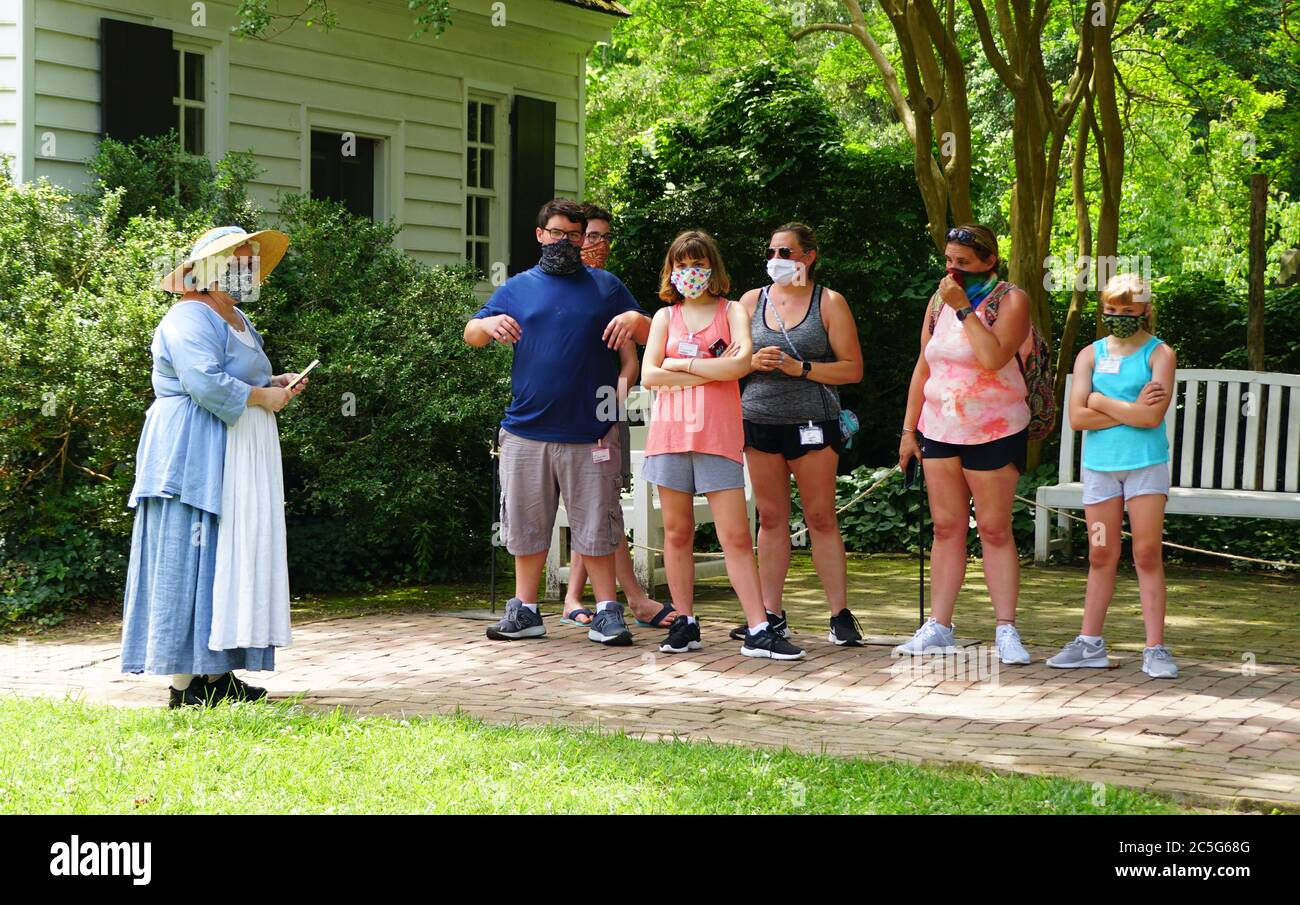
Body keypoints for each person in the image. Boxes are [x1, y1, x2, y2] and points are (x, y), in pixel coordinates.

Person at [122, 225, 307, 708]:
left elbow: (242, 374)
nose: (247, 268)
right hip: (192, 450)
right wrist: (263, 396)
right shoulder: (189, 316)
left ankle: (216, 674)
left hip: (236, 451)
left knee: (230, 553)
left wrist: (276, 381)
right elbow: (203, 382)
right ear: (208, 271)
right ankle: (184, 684)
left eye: (249, 260)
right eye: (237, 260)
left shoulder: (238, 317)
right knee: (193, 548)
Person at [465, 199, 651, 646]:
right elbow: (471, 333)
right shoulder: (516, 287)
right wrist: (488, 328)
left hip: (591, 430)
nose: (564, 242)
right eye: (556, 233)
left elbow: (650, 333)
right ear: (539, 235)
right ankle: (525, 611)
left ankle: (608, 611)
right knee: (526, 525)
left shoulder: (606, 287)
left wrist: (634, 318)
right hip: (526, 429)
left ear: (583, 237)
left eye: (574, 234)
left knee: (597, 524)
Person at [640, 230, 804, 660]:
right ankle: (685, 623)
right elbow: (649, 377)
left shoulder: (732, 311)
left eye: (697, 264)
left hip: (717, 435)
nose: (689, 273)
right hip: (670, 435)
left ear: (712, 268)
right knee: (677, 533)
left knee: (734, 535)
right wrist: (712, 367)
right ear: (670, 271)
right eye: (681, 265)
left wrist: (682, 363)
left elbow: (739, 365)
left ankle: (757, 627)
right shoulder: (664, 318)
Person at [896, 224, 1033, 665]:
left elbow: (993, 358)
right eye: (949, 262)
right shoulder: (937, 300)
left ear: (990, 261)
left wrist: (964, 310)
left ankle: (1006, 629)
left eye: (965, 263)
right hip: (939, 428)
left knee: (994, 529)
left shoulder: (1010, 300)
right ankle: (940, 625)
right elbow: (923, 366)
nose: (953, 271)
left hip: (994, 428)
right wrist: (908, 430)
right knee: (946, 528)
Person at [735, 223, 865, 646]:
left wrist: (802, 368)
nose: (777, 258)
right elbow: (731, 362)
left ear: (808, 256)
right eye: (772, 250)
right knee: (770, 518)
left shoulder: (829, 301)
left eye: (787, 252)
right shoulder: (751, 300)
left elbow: (852, 369)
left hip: (813, 422)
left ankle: (839, 614)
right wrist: (754, 361)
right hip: (758, 419)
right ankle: (771, 613)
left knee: (821, 516)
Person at [1048, 273, 1179, 678]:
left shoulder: (1160, 355)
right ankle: (1090, 642)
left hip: (1145, 469)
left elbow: (1151, 416)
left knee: (1146, 553)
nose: (1118, 317)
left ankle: (1155, 648)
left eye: (1127, 310)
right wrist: (1127, 408)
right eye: (1111, 310)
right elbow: (1076, 416)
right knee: (1102, 553)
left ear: (1144, 311)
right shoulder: (1089, 354)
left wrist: (1101, 400)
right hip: (1100, 473)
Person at [562, 203, 677, 629]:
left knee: (598, 507)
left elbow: (630, 360)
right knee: (593, 510)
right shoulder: (543, 286)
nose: (599, 245)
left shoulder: (609, 290)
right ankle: (632, 599)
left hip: (601, 417)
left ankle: (582, 596)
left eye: (605, 238)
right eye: (591, 236)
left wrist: (612, 403)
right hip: (554, 423)